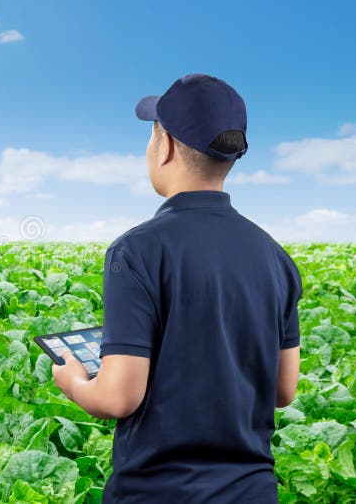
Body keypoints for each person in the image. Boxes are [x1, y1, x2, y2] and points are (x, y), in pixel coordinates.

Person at [51, 73, 303, 503]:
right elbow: (284, 390)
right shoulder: (274, 256)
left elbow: (118, 396)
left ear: (164, 145)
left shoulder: (136, 251)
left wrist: (73, 381)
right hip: (252, 492)